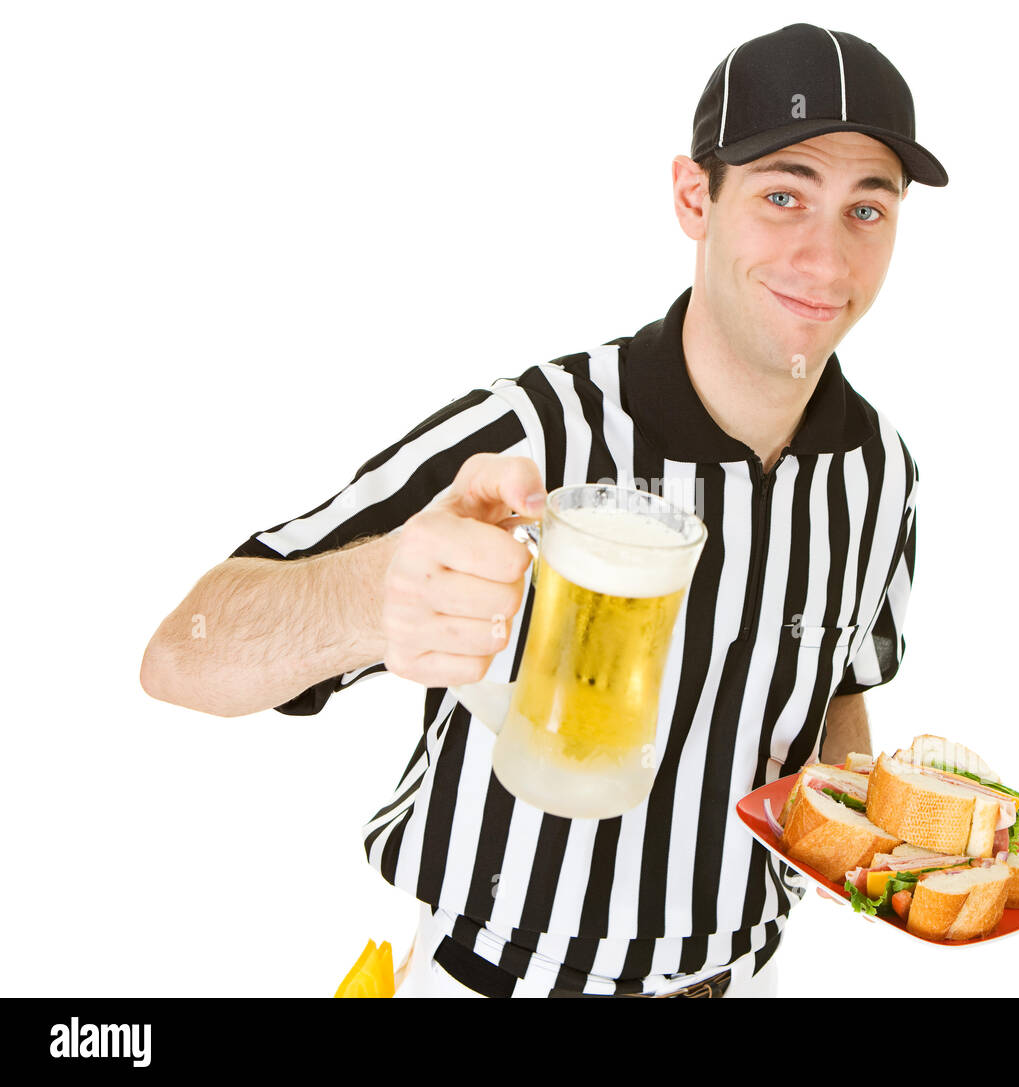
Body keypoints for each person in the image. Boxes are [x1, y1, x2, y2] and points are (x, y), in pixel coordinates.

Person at [139, 22, 945, 997]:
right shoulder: (536, 428)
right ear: (696, 198)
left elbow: (840, 690)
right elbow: (182, 654)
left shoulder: (879, 468)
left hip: (741, 981)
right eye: (783, 195)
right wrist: (367, 594)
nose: (824, 259)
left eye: (868, 210)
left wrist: (879, 829)